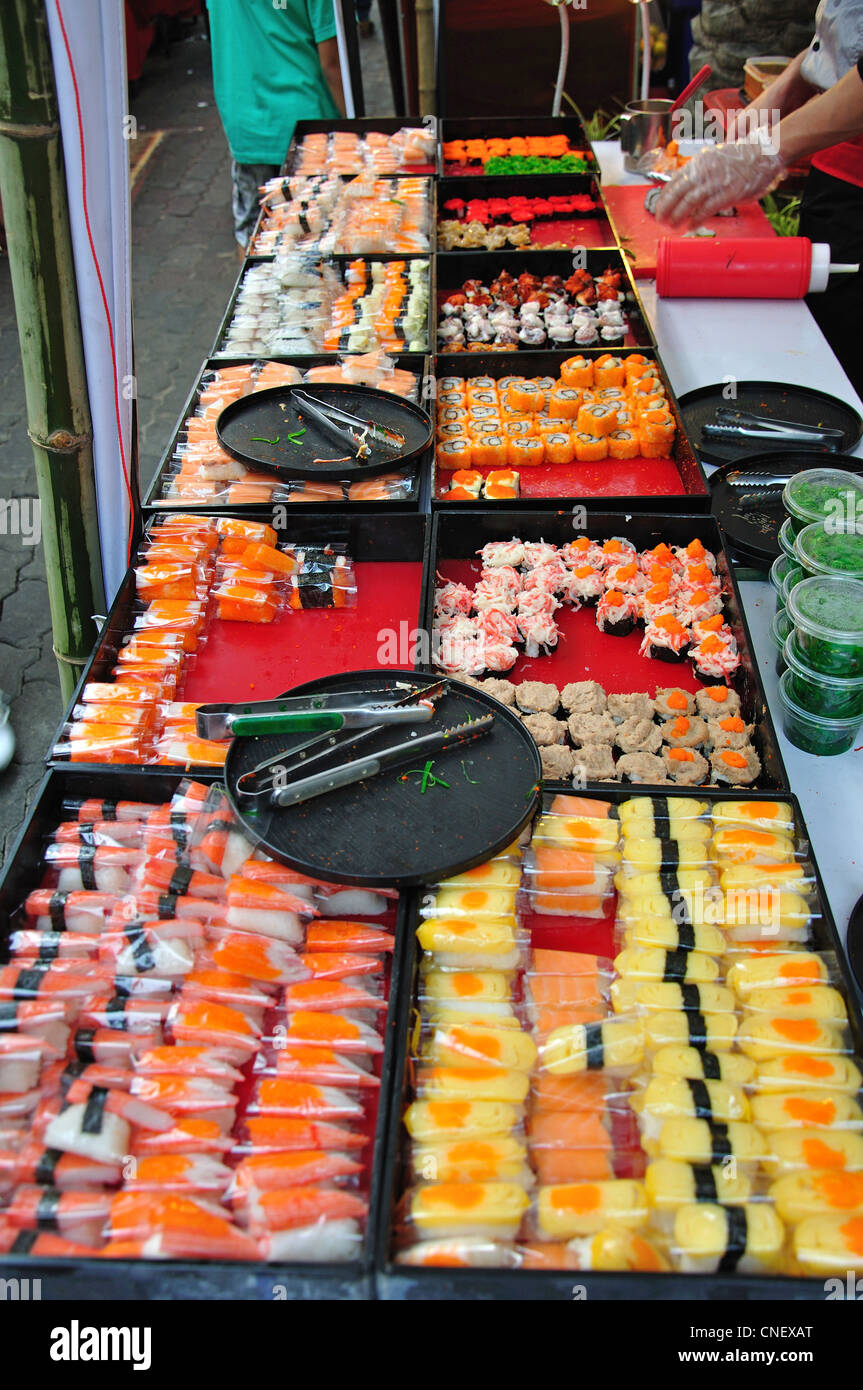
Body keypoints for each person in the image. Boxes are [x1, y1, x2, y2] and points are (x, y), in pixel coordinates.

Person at [655, 0, 863, 396]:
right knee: (827, 363)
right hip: (833, 173)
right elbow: (849, 32)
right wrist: (789, 86)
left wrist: (764, 152)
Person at [207, 0, 345, 249]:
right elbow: (333, 62)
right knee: (318, 242)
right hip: (310, 130)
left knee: (256, 240)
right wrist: (357, 129)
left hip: (247, 123)